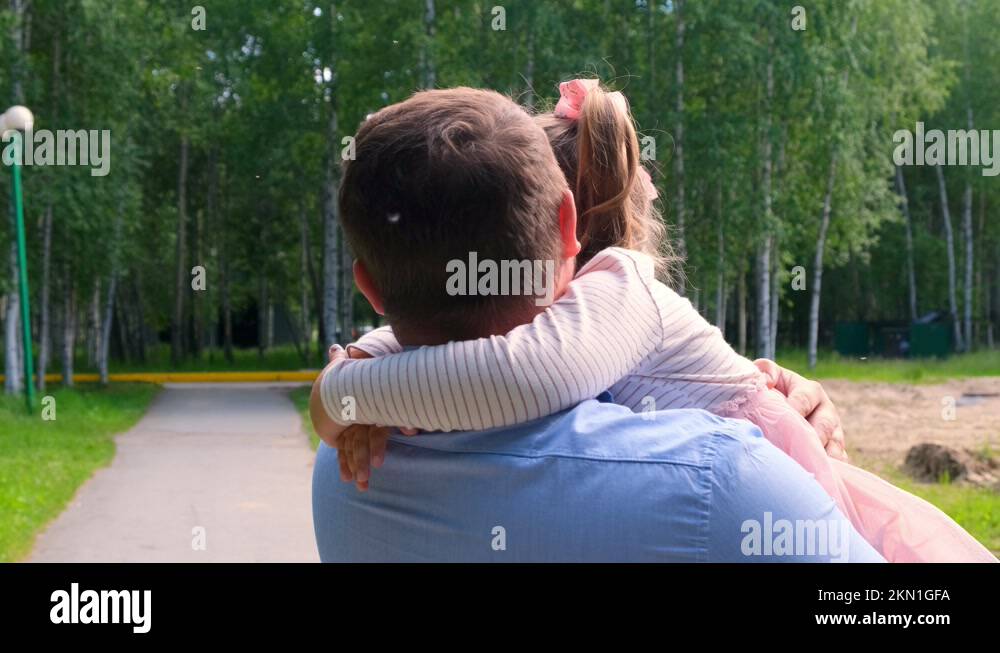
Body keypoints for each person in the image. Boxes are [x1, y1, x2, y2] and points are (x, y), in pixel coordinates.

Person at [316, 80, 995, 563]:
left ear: (369, 285)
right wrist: (364, 369)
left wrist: (342, 391)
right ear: (566, 228)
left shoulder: (346, 469)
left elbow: (518, 374)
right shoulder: (718, 488)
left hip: (782, 444)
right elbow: (512, 370)